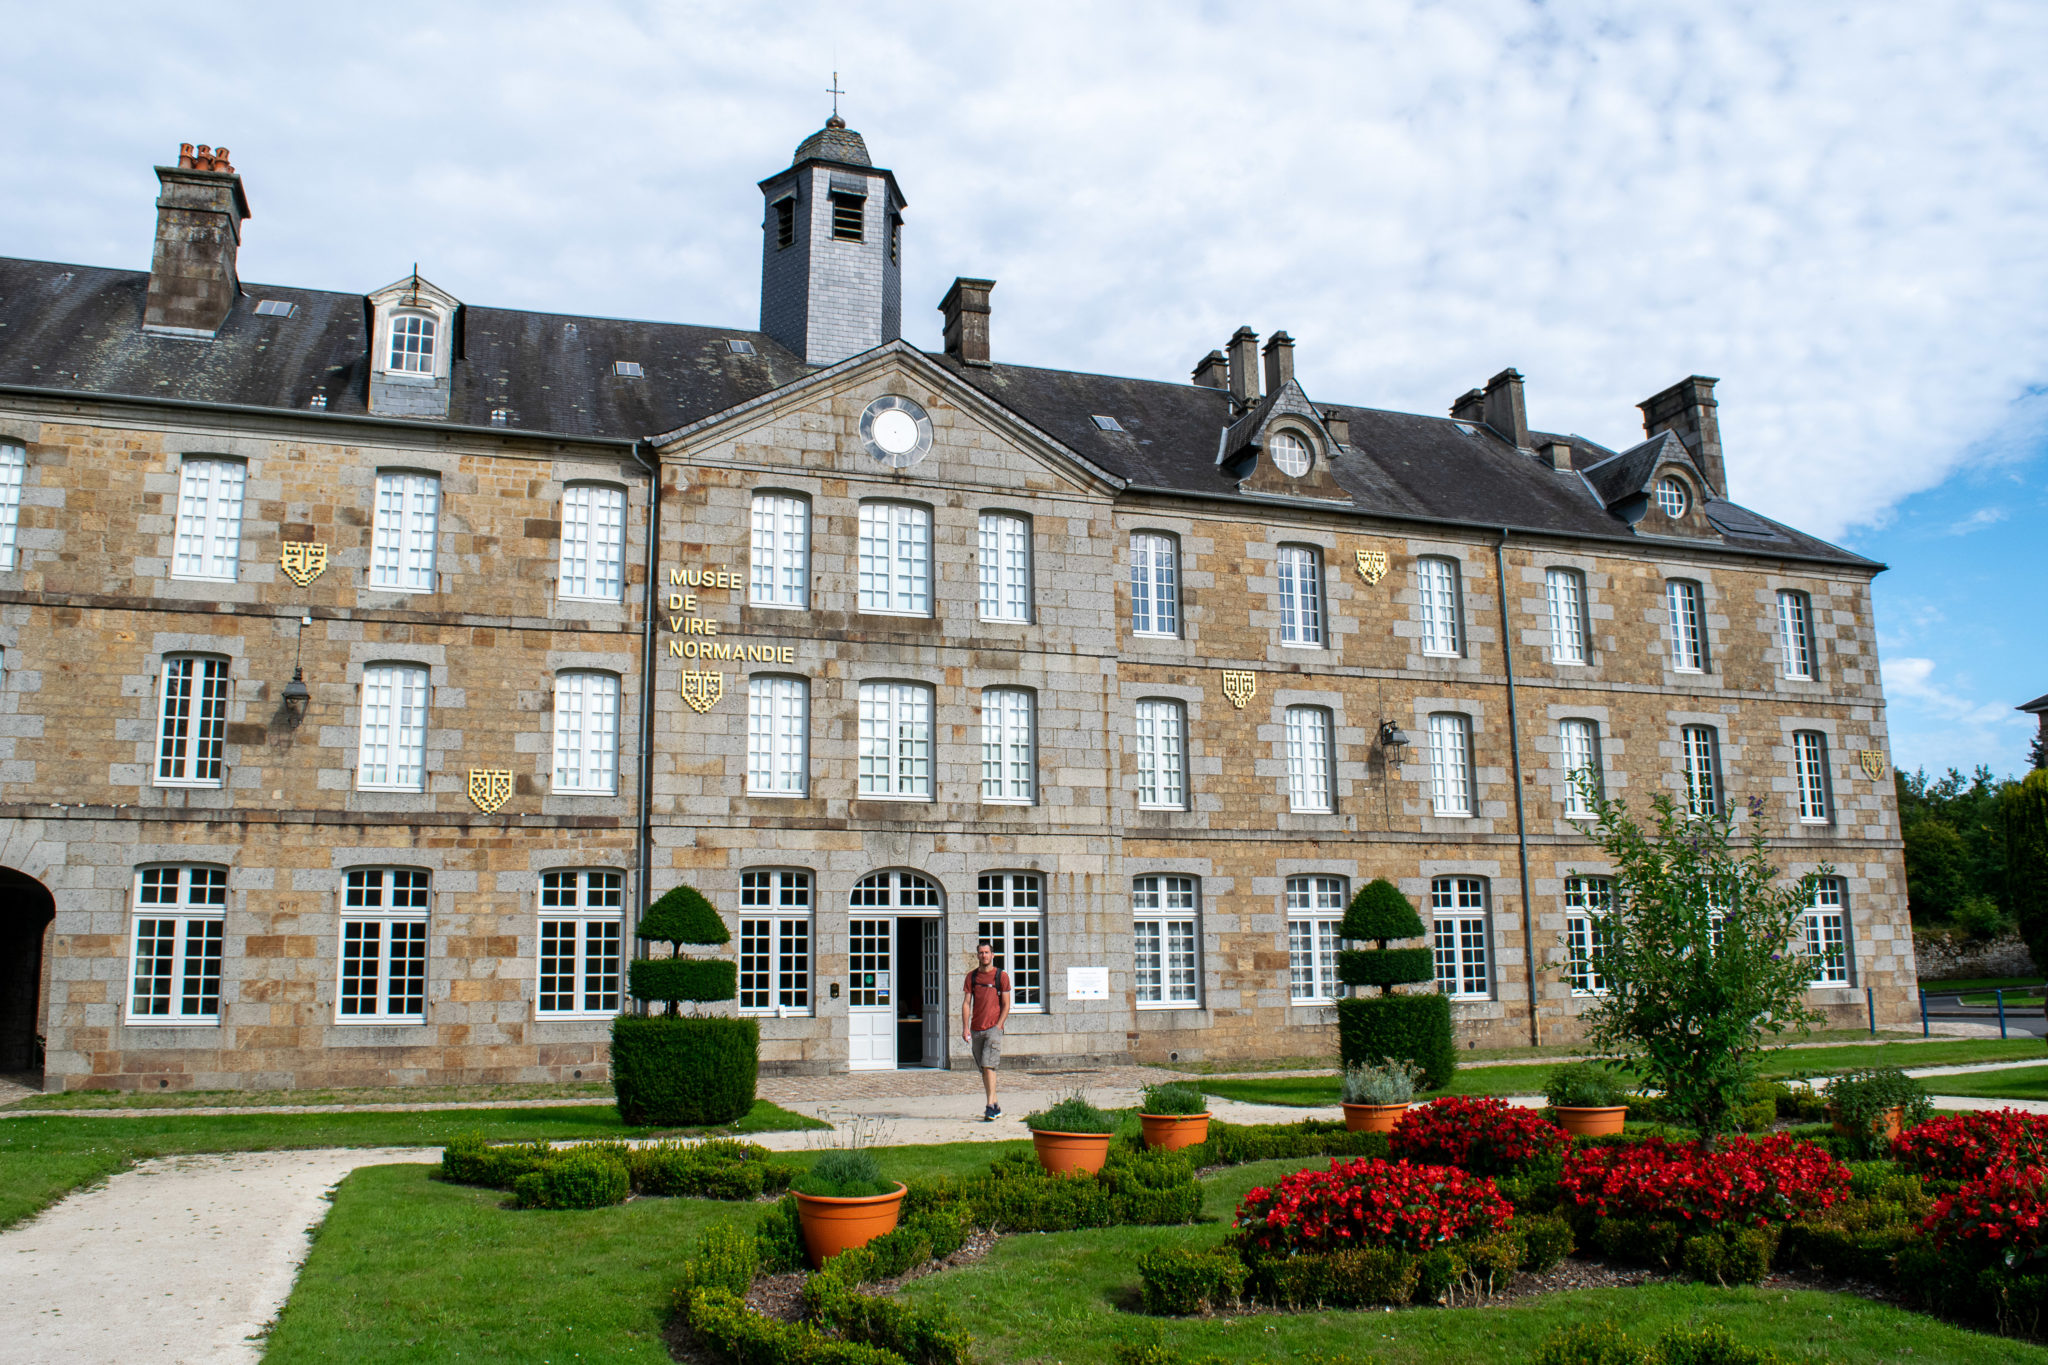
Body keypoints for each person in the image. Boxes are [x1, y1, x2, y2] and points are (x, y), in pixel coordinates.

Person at [961, 940, 1011, 1121]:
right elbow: (967, 1003)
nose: (984, 956)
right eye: (981, 953)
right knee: (984, 1067)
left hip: (993, 1028)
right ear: (978, 956)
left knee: (989, 1064)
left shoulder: (1001, 976)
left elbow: (1006, 1004)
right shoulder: (971, 977)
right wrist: (965, 1027)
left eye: (987, 952)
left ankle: (990, 1106)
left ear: (993, 955)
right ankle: (996, 1104)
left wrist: (998, 1025)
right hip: (976, 1029)